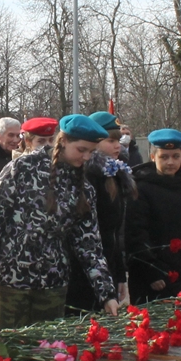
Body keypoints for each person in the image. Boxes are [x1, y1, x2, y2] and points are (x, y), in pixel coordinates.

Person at [0, 115, 117, 329]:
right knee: (8, 350)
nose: (87, 157)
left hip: (53, 284)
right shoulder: (23, 168)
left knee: (47, 349)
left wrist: (107, 294)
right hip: (13, 281)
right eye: (81, 150)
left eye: (91, 151)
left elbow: (90, 245)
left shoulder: (83, 188)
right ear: (64, 141)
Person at [126, 129, 181, 303]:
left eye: (175, 156)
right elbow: (136, 232)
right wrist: (150, 269)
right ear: (153, 157)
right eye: (164, 157)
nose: (170, 162)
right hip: (156, 277)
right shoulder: (140, 188)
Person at [66, 112, 136, 314]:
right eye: (111, 140)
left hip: (108, 267)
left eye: (119, 140)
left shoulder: (114, 174)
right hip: (84, 273)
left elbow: (116, 232)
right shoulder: (87, 176)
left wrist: (120, 275)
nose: (118, 146)